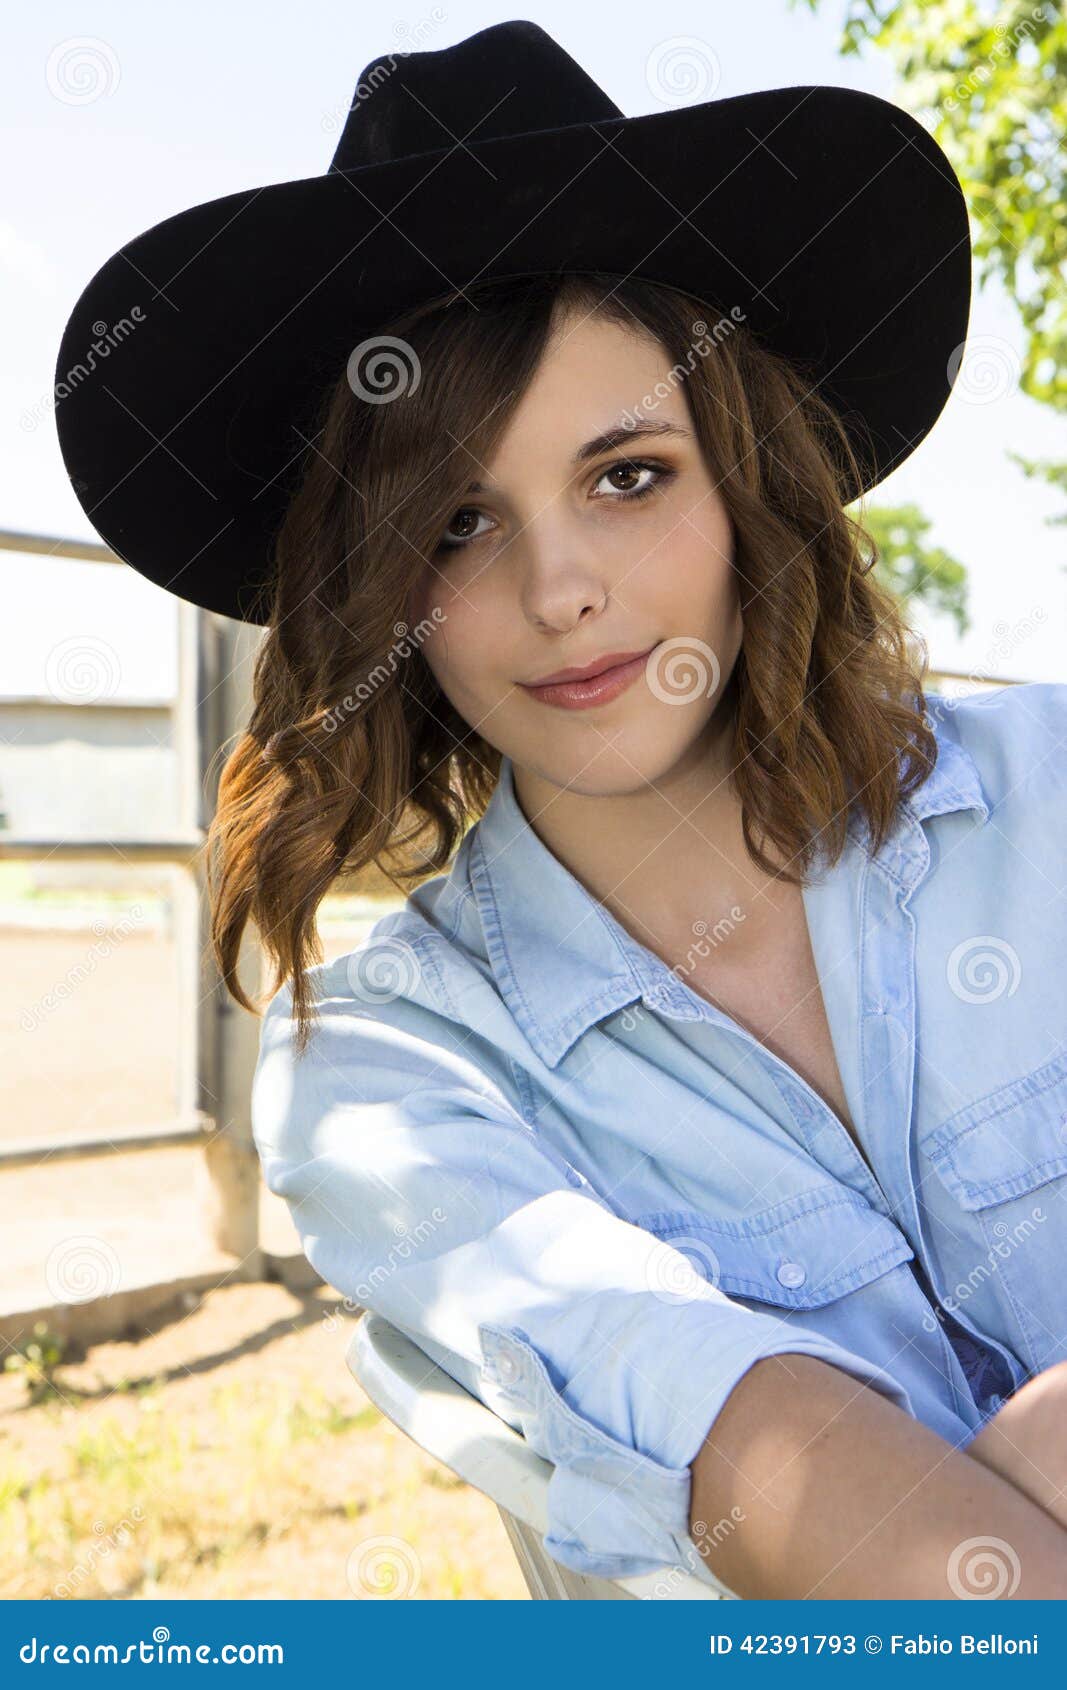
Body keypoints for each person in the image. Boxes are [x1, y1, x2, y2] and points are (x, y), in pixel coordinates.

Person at [53, 22, 1067, 1600]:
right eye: (456, 523)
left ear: (747, 478)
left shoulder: (1055, 792)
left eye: (629, 474)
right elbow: (848, 1515)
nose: (560, 590)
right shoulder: (392, 1072)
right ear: (378, 591)